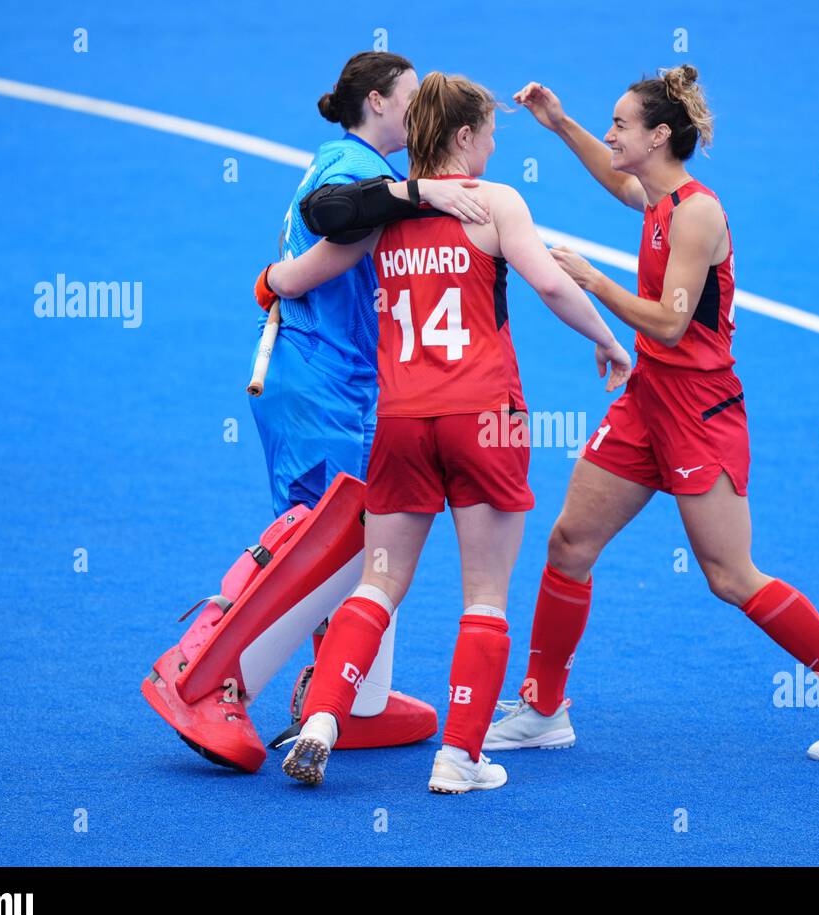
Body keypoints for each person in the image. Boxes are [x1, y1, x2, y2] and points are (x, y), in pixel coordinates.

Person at [481, 66, 819, 761]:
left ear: (660, 136)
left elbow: (671, 324)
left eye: (621, 124)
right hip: (649, 400)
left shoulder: (698, 212)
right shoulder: (654, 195)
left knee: (729, 575)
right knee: (569, 544)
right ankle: (545, 706)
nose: (611, 133)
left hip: (701, 413)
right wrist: (558, 125)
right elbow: (616, 181)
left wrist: (592, 279)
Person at [254, 70, 632, 792]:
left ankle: (324, 720)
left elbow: (303, 272)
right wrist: (610, 340)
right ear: (463, 135)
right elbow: (551, 283)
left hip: (400, 422)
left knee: (376, 584)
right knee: (484, 594)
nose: (494, 143)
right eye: (489, 131)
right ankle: (460, 756)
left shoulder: (385, 214)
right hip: (483, 419)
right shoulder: (494, 203)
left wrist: (269, 281)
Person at [141, 52, 490, 773]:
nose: (419, 109)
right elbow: (328, 214)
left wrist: (281, 276)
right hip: (318, 381)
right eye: (410, 97)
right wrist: (416, 190)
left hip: (341, 382)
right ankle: (201, 676)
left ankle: (349, 697)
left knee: (359, 535)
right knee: (317, 543)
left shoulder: (361, 163)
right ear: (375, 103)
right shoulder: (349, 163)